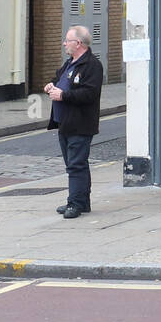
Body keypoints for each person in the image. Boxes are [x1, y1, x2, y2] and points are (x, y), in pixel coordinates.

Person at [46, 26, 104, 219]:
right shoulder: (70, 63)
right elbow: (60, 79)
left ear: (78, 43)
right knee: (74, 164)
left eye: (67, 40)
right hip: (64, 122)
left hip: (80, 123)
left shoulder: (92, 65)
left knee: (76, 165)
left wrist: (63, 95)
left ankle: (75, 203)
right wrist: (52, 85)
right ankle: (82, 201)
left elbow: (90, 93)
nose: (64, 44)